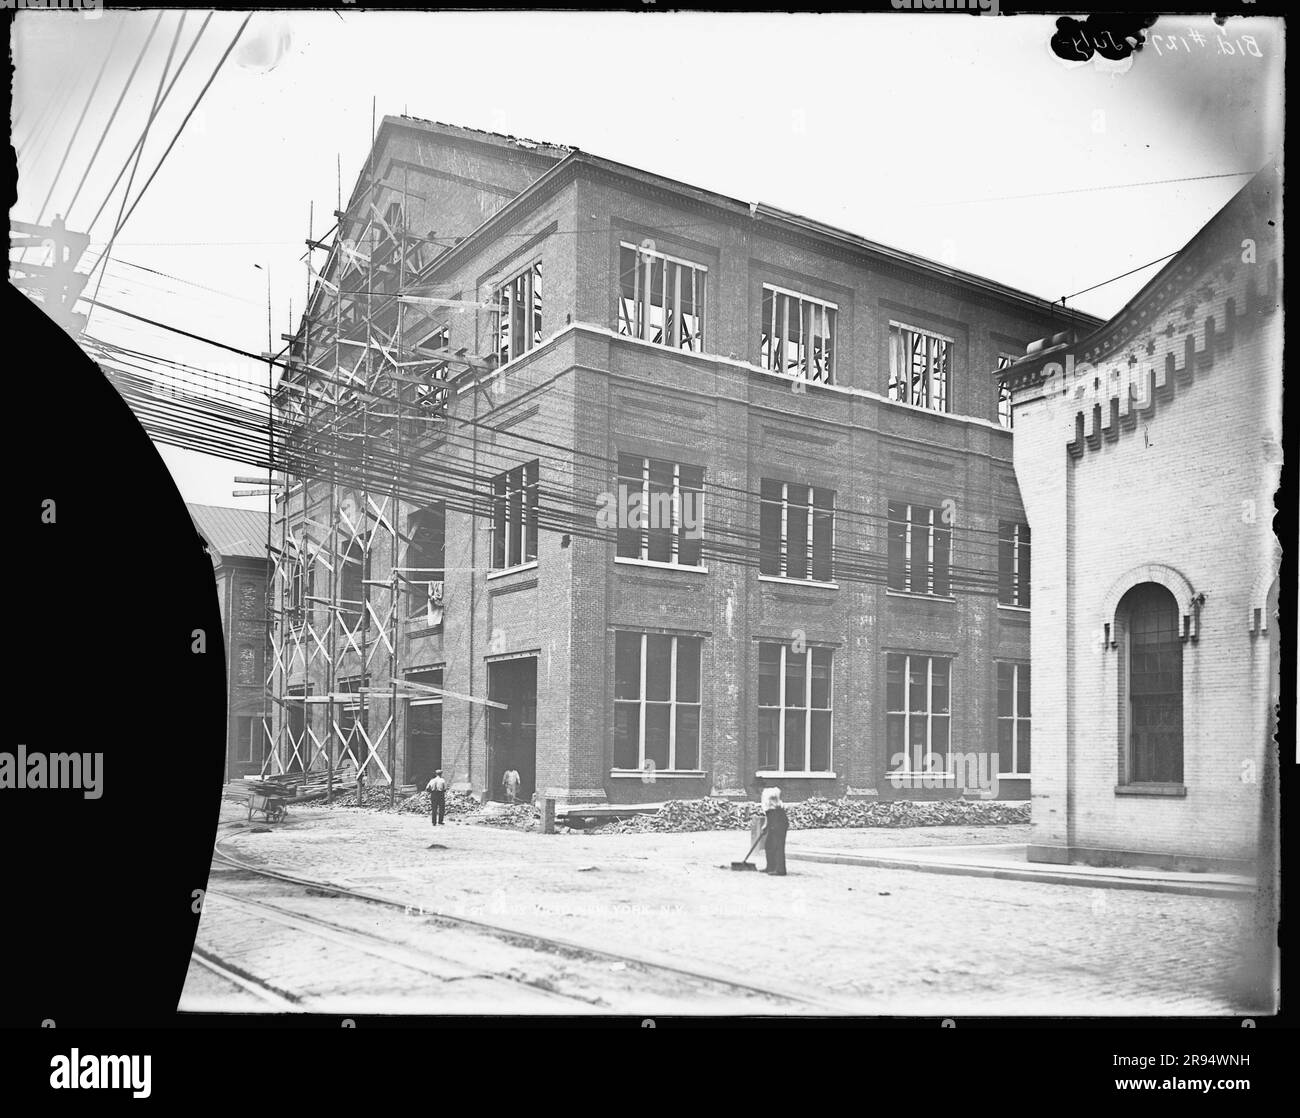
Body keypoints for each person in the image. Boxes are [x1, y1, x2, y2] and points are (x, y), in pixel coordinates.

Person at [761, 786, 788, 876]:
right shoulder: (768, 803)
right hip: (774, 821)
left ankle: (780, 870)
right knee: (768, 844)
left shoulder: (775, 804)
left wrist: (770, 825)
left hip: (779, 822)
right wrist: (766, 825)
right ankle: (770, 867)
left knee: (778, 845)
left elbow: (771, 813)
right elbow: (768, 814)